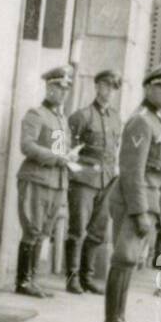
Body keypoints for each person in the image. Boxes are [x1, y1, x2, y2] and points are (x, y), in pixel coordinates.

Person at [103, 65, 161, 322]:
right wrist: (141, 211)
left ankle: (119, 319)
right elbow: (133, 171)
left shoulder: (158, 120)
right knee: (123, 259)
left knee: (130, 261)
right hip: (135, 200)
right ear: (148, 88)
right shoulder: (142, 121)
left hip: (149, 199)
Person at [15, 65, 74, 299]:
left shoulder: (61, 119)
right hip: (37, 179)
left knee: (44, 232)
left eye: (66, 89)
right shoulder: (36, 115)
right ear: (49, 88)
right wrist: (56, 157)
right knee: (33, 228)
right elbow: (27, 145)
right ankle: (23, 280)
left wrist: (69, 156)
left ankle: (34, 279)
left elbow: (61, 149)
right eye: (58, 88)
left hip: (56, 182)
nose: (63, 93)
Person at [65, 69, 121, 295]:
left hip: (107, 180)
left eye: (113, 88)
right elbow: (67, 151)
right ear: (97, 87)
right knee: (78, 228)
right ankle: (72, 278)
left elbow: (115, 149)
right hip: (84, 180)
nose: (109, 91)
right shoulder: (82, 116)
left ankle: (87, 277)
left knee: (98, 230)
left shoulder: (116, 118)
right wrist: (76, 173)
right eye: (105, 86)